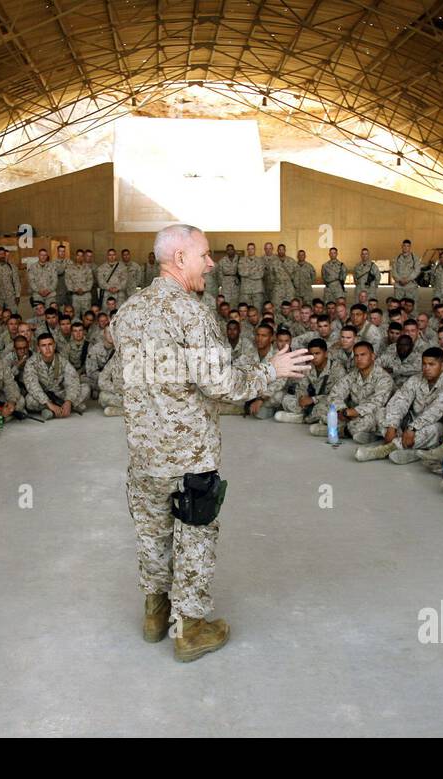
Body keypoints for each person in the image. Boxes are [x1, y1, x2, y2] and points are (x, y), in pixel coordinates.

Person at [112, 223, 310, 663]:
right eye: (204, 254)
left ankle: (154, 616)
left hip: (144, 453)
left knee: (152, 535)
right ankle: (190, 630)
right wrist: (270, 370)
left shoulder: (127, 311)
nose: (212, 262)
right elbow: (221, 385)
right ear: (179, 258)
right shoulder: (193, 313)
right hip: (188, 457)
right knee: (194, 539)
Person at [356, 347, 443, 463]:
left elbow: (436, 411)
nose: (426, 368)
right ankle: (407, 446)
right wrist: (392, 426)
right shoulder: (416, 379)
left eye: (431, 364)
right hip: (412, 422)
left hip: (436, 425)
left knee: (434, 430)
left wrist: (413, 428)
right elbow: (400, 400)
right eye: (424, 364)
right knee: (382, 412)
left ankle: (384, 449)